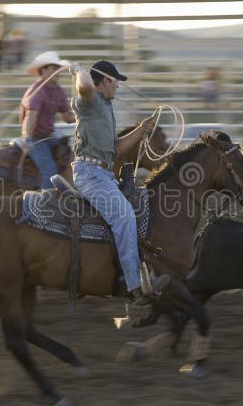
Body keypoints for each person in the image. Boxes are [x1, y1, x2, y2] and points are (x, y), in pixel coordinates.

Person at [69, 60, 170, 305]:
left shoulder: (105, 107)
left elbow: (116, 149)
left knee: (133, 210)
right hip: (90, 174)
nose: (118, 87)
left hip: (103, 175)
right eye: (115, 82)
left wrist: (141, 130)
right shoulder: (90, 101)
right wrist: (79, 70)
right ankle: (134, 286)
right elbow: (84, 87)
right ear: (105, 81)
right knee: (124, 215)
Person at [19, 51, 77, 189]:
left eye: (58, 69)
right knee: (50, 173)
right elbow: (31, 117)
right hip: (36, 140)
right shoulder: (37, 91)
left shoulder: (59, 91)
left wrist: (83, 115)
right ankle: (43, 199)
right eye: (53, 68)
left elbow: (67, 118)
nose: (58, 72)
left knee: (72, 161)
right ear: (43, 70)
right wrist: (28, 139)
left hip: (49, 138)